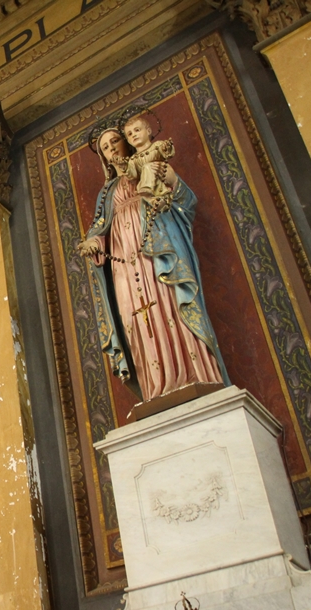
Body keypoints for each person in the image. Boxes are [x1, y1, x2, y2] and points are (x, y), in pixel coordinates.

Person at [75, 119, 226, 403]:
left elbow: (186, 203)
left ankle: (195, 374)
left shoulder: (152, 167)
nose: (111, 149)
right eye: (105, 148)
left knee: (169, 304)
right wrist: (95, 242)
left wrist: (172, 183)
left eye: (114, 142)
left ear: (127, 142)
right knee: (134, 318)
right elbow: (100, 227)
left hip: (157, 252)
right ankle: (155, 387)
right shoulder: (107, 193)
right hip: (123, 262)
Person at [120, 111, 175, 210]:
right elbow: (133, 175)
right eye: (130, 134)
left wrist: (167, 148)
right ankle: (154, 202)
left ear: (148, 131)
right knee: (141, 189)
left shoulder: (157, 146)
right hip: (146, 187)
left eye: (137, 130)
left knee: (147, 167)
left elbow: (166, 153)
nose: (134, 135)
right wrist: (125, 167)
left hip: (161, 177)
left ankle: (155, 195)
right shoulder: (133, 159)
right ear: (128, 141)